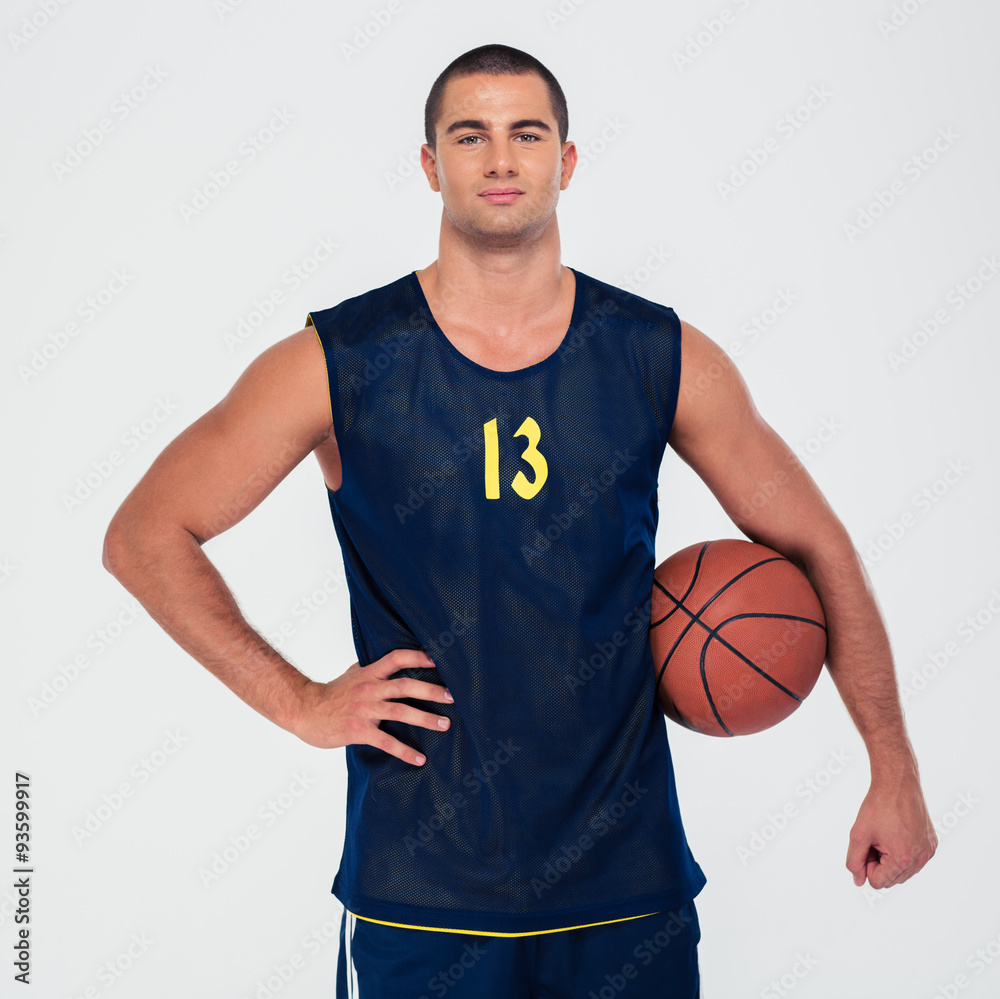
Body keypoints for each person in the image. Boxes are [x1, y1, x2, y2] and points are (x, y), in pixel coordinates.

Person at [102, 43, 936, 999]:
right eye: (471, 135)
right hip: (421, 893)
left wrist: (894, 769)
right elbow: (145, 534)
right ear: (430, 165)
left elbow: (816, 545)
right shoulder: (338, 360)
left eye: (525, 134)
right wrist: (298, 702)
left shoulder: (658, 354)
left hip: (626, 886)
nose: (500, 160)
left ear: (566, 161)